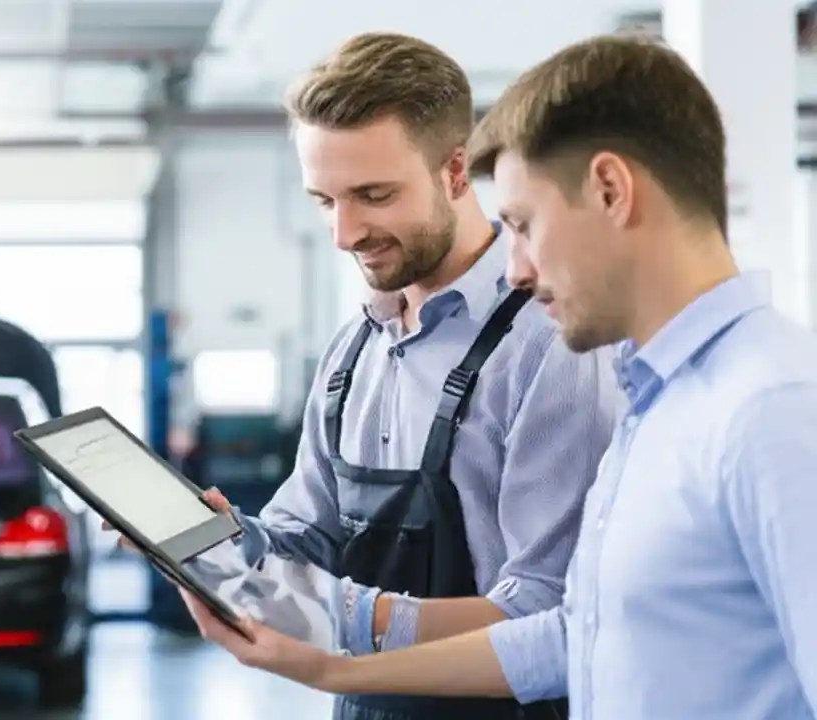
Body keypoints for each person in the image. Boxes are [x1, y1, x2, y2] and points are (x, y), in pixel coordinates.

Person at [177, 33, 817, 720]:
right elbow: (575, 634)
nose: (514, 269)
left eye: (522, 223)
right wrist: (330, 664)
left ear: (610, 191)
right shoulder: (659, 401)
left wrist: (351, 622)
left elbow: (538, 605)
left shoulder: (769, 411)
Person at [117, 32, 618, 720]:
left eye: (373, 195)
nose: (344, 233)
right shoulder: (355, 349)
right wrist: (234, 545)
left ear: (454, 170)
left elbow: (549, 612)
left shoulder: (552, 342)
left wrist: (347, 620)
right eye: (324, 200)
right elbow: (312, 533)